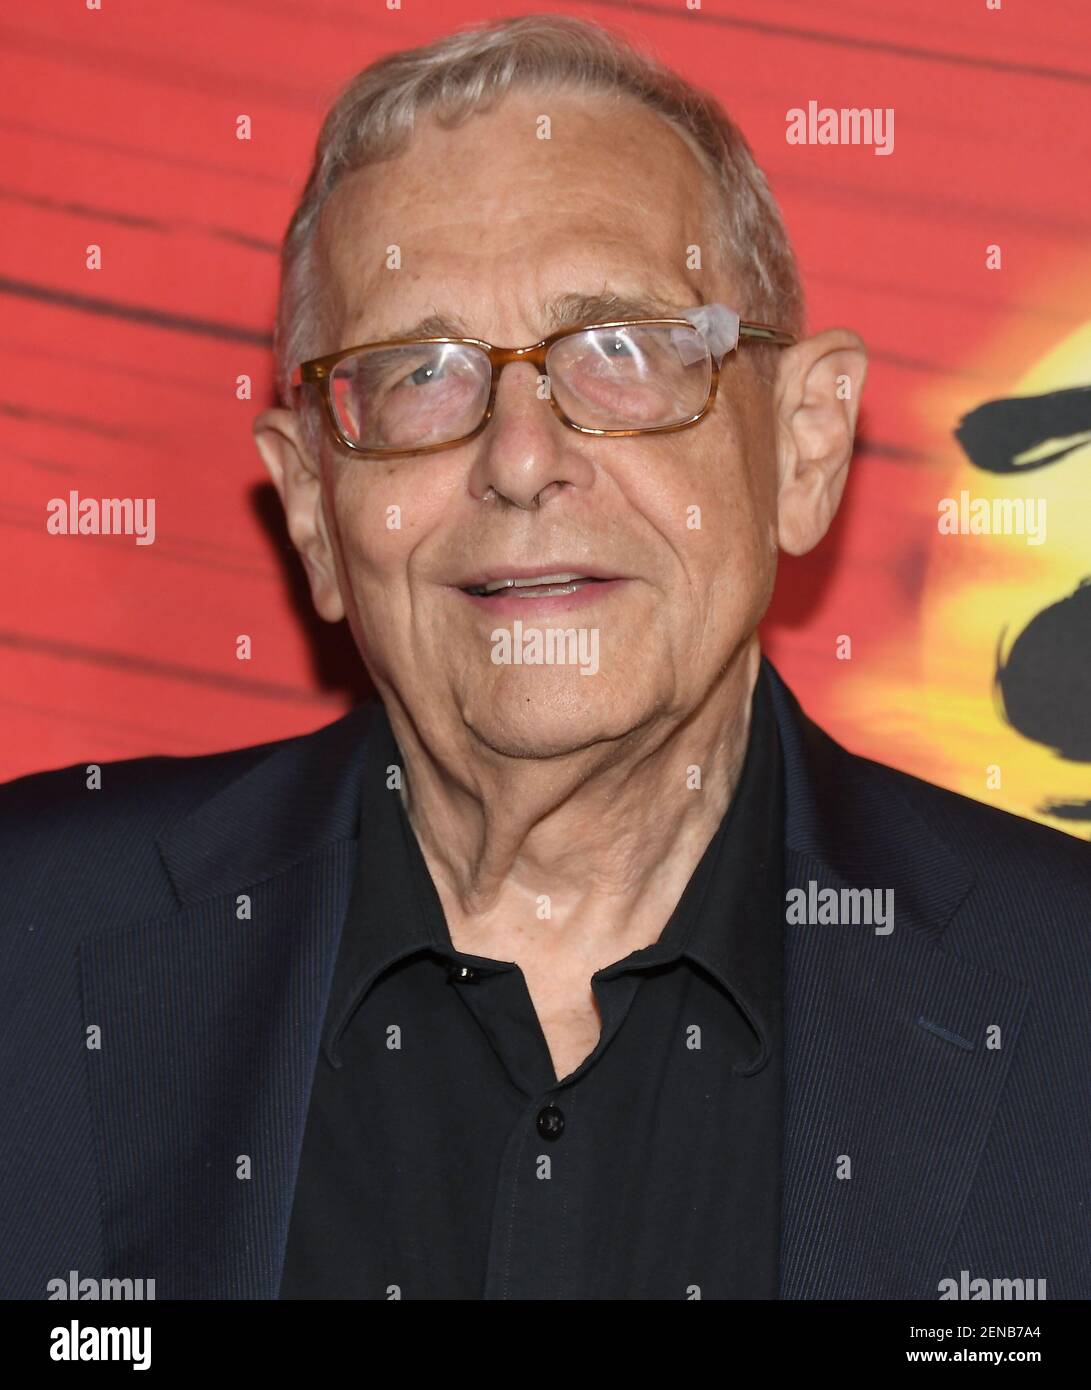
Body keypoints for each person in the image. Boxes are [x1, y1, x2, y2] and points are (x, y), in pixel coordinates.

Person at [2, 14, 1088, 1302]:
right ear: (312, 514)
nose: (520, 459)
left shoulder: (1061, 1001)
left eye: (623, 352)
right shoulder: (35, 948)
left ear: (805, 449)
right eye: (417, 374)